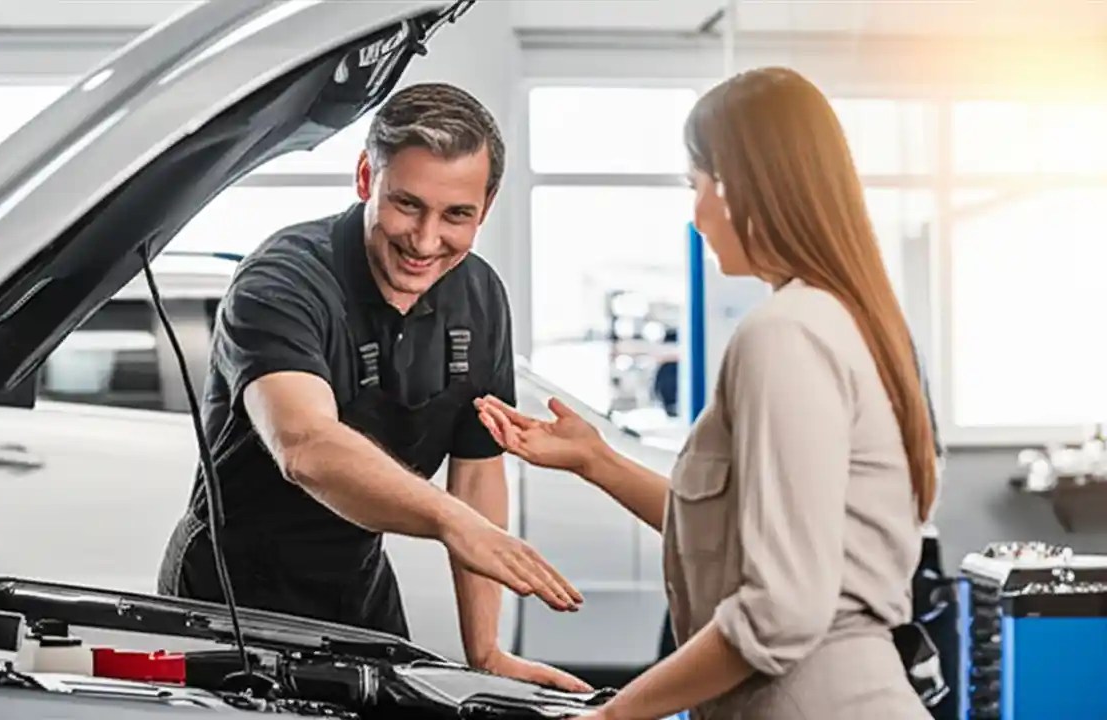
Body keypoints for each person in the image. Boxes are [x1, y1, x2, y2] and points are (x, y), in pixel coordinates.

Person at [475, 67, 937, 719]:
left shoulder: (786, 334)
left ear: (742, 185)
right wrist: (596, 460)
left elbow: (780, 611)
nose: (694, 215)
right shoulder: (836, 320)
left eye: (696, 186)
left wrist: (612, 715)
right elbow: (736, 535)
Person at [157, 82, 590, 692]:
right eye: (407, 204)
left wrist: (486, 653)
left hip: (359, 585)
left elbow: (476, 469)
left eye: (456, 215)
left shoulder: (481, 296)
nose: (425, 239)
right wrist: (447, 519)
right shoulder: (282, 281)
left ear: (485, 207)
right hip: (231, 591)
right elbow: (304, 446)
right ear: (366, 177)